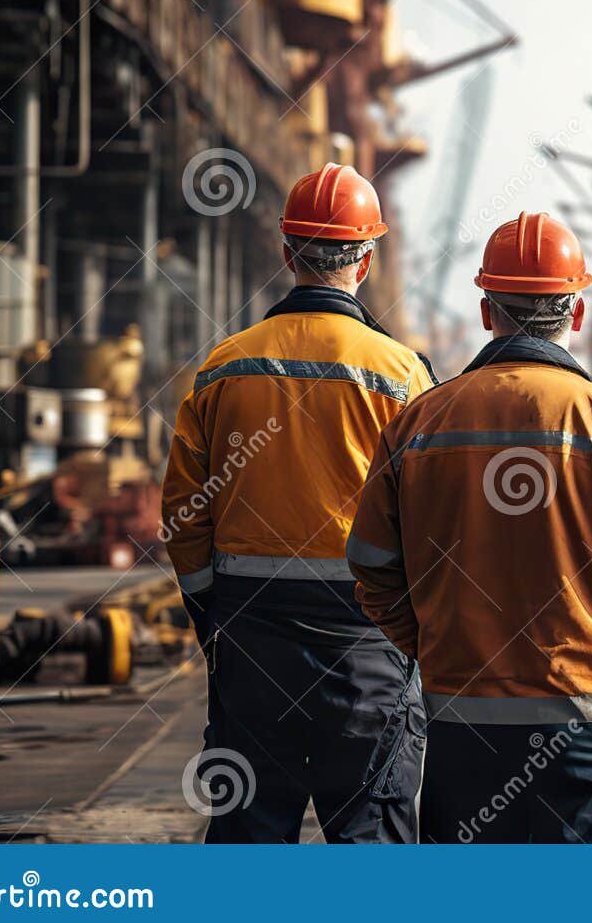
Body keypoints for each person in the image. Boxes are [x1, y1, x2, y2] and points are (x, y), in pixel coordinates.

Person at [345, 211, 592, 843]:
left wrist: (434, 648)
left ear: (488, 310)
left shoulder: (417, 429)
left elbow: (373, 564)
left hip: (467, 723)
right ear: (576, 315)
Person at [160, 162, 435, 842]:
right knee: (370, 833)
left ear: (288, 254)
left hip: (251, 636)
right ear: (365, 262)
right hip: (367, 643)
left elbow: (184, 516)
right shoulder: (402, 376)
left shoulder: (224, 366)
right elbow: (434, 524)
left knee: (250, 830)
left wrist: (212, 616)